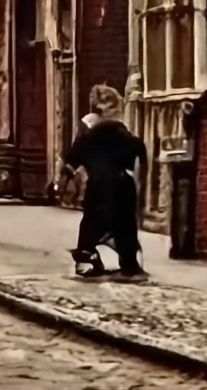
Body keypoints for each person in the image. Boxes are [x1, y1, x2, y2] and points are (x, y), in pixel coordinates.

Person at [62, 85, 147, 279]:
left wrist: (65, 182)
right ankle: (129, 264)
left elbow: (71, 163)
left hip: (97, 186)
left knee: (91, 223)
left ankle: (86, 260)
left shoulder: (86, 138)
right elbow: (139, 164)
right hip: (123, 185)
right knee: (124, 225)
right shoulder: (129, 139)